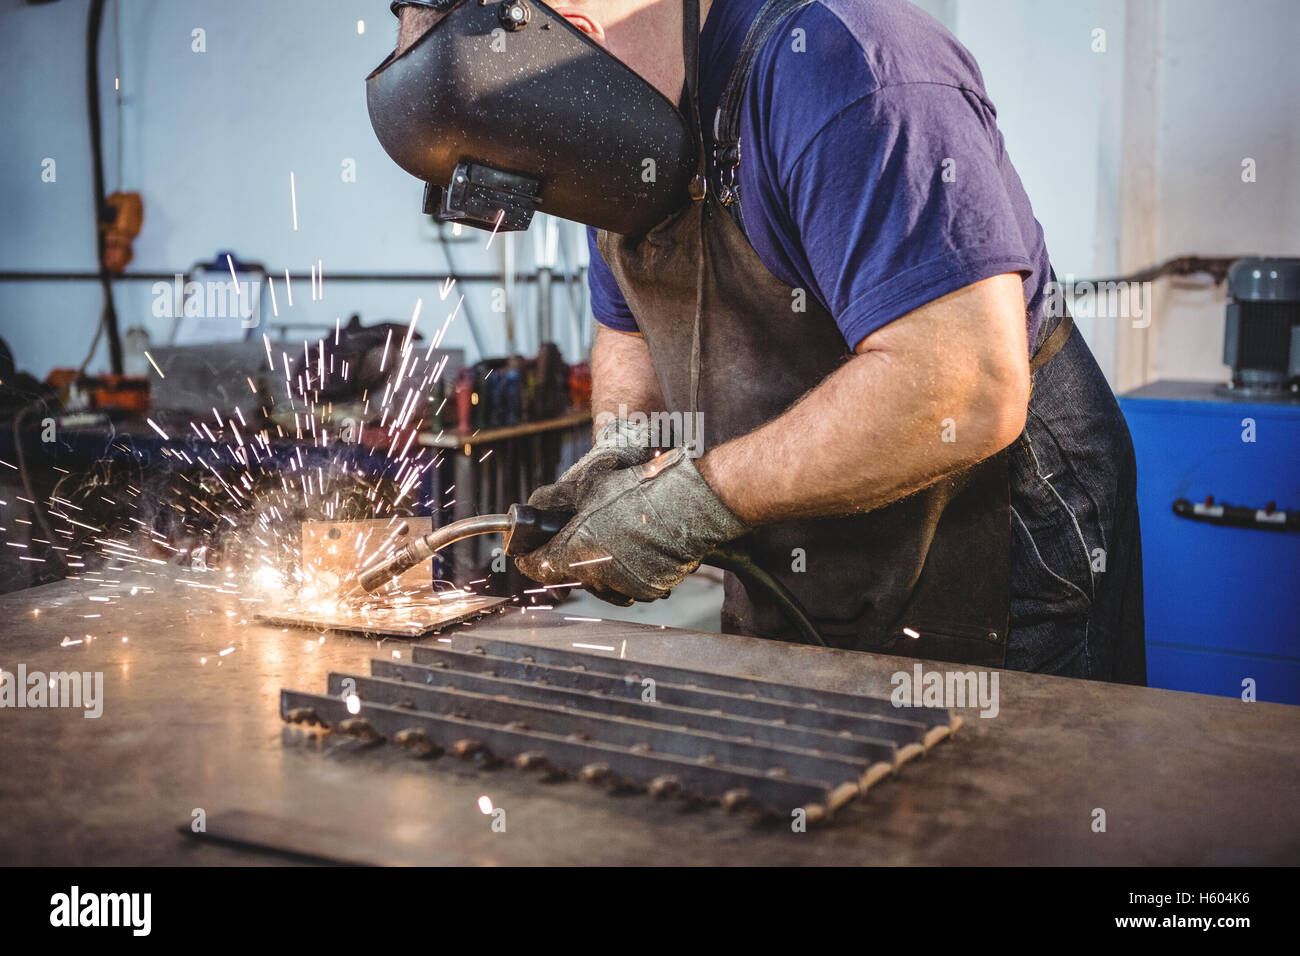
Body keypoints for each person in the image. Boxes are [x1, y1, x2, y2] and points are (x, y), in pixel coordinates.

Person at [382, 0, 1145, 682]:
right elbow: (629, 328)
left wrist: (694, 503)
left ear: (575, 39)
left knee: (982, 806)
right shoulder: (610, 132)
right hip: (786, 521)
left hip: (987, 523)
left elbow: (962, 384)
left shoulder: (851, 66)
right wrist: (627, 454)